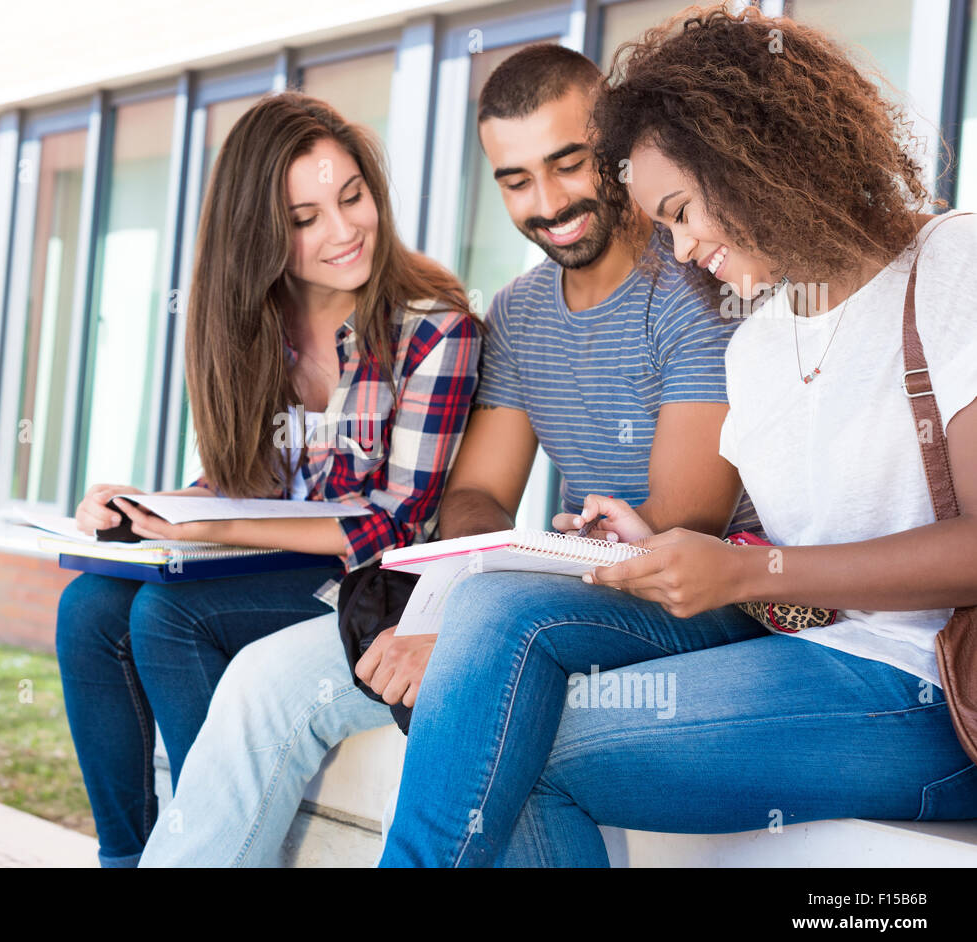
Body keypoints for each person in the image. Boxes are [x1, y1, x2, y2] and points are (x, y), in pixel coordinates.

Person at [378, 3, 977, 868]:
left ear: (760, 158)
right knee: (495, 612)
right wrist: (660, 546)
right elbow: (797, 585)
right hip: (813, 652)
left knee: (517, 748)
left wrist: (743, 567)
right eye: (664, 224)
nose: (684, 247)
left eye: (686, 210)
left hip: (934, 691)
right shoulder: (763, 342)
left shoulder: (949, 266)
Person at [139, 42, 763, 867]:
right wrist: (453, 608)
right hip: (546, 596)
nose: (548, 202)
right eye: (514, 180)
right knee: (261, 678)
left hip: (695, 605)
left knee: (495, 709)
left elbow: (678, 530)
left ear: (614, 148)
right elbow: (476, 498)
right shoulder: (521, 309)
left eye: (569, 163)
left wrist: (476, 633)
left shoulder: (690, 283)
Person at [55, 92, 481, 867]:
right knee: (88, 610)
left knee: (167, 618)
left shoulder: (434, 327)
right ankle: (126, 855)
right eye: (305, 217)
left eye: (352, 198)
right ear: (260, 235)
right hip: (276, 563)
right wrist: (151, 506)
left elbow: (396, 521)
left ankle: (208, 845)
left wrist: (204, 526)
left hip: (371, 582)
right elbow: (246, 480)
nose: (344, 230)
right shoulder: (259, 326)